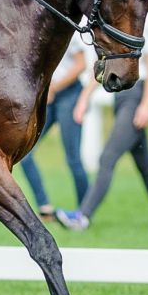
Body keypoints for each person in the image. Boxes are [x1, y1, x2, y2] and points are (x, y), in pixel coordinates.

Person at [56, 11, 148, 231]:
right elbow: (106, 65)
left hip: (137, 97)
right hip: (122, 98)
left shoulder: (143, 16)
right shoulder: (116, 17)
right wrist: (84, 98)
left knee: (107, 157)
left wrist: (147, 103)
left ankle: (82, 217)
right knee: (145, 164)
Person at [17, 36, 91, 220]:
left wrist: (54, 87)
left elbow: (81, 65)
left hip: (69, 95)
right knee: (25, 155)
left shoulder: (71, 32)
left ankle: (85, 211)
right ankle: (44, 206)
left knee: (73, 159)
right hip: (48, 94)